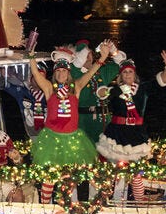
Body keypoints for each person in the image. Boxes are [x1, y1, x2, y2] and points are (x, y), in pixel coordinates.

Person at [27, 40, 111, 204]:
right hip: (52, 138)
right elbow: (36, 74)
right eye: (58, 71)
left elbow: (91, 72)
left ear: (68, 72)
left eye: (64, 71)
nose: (61, 74)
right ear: (55, 73)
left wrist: (103, 57)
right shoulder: (49, 88)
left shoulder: (76, 87)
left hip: (73, 139)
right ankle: (45, 208)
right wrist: (31, 56)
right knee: (50, 177)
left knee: (76, 175)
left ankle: (80, 206)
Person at [96, 51, 166, 200]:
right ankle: (104, 200)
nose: (127, 75)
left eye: (130, 72)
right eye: (124, 72)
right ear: (120, 75)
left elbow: (161, 80)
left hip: (136, 134)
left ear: (134, 74)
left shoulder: (143, 89)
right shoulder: (115, 90)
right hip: (117, 133)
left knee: (135, 172)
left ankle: (139, 200)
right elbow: (101, 94)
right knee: (113, 170)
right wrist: (106, 89)